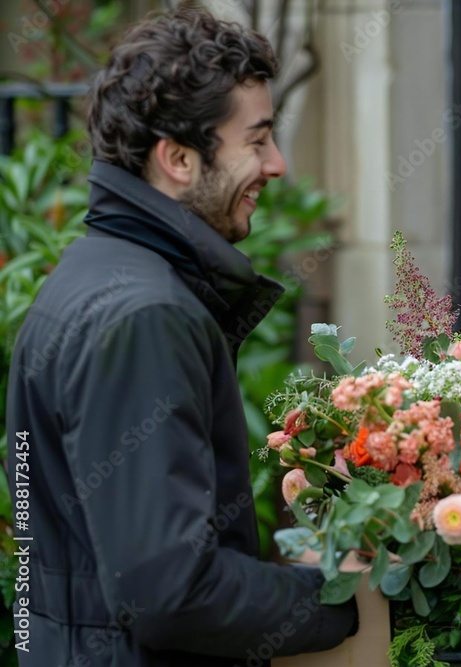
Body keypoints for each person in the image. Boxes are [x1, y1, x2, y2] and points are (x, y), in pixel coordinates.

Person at [5, 8, 357, 667]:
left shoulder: (89, 273)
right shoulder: (146, 316)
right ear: (178, 159)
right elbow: (171, 591)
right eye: (256, 141)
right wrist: (339, 595)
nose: (276, 164)